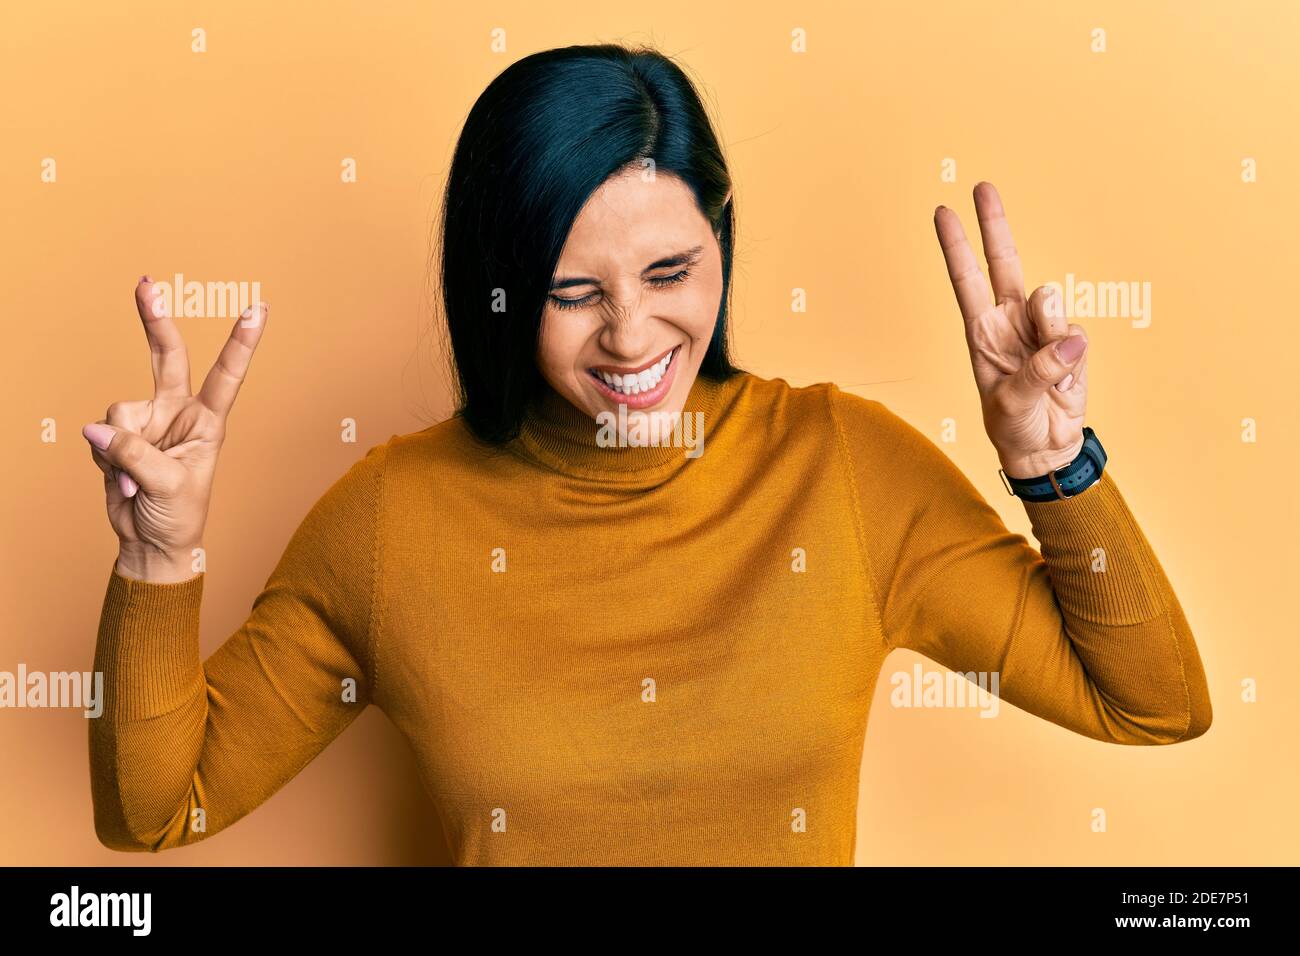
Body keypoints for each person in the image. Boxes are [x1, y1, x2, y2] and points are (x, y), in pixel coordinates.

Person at [84, 43, 1211, 865]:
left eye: (670, 273)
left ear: (720, 240)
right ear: (498, 294)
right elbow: (153, 809)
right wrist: (158, 557)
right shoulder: (392, 520)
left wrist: (1053, 463)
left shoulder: (843, 469)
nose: (631, 337)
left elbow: (1151, 701)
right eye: (573, 292)